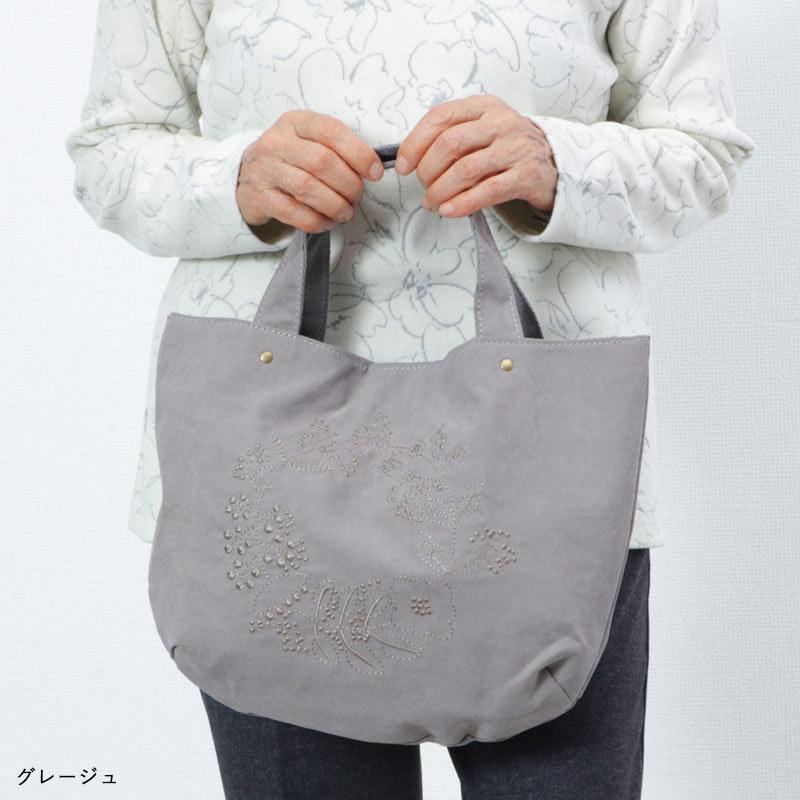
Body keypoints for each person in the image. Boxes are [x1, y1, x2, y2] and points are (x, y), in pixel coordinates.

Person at [65, 1, 754, 797]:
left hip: (545, 482)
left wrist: (558, 163)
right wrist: (236, 179)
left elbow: (705, 151)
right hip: (268, 481)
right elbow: (108, 154)